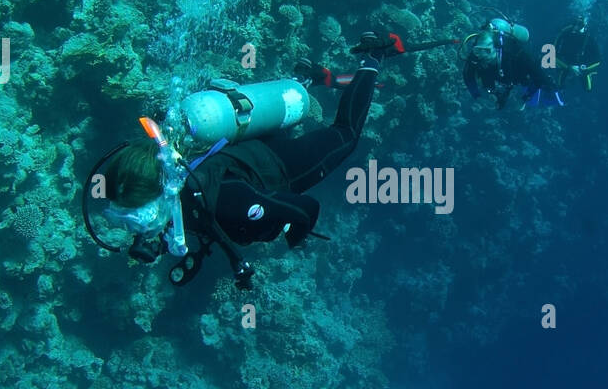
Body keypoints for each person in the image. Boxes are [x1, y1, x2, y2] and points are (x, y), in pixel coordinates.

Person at [83, 33, 393, 288]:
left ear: (160, 193)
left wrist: (295, 238)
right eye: (124, 219)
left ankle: (372, 58)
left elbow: (307, 208)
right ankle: (303, 81)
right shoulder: (170, 185)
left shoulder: (226, 201)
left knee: (346, 135)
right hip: (243, 150)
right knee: (282, 122)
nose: (135, 228)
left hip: (283, 165)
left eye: (135, 218)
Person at [460, 17, 557, 109]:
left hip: (519, 73)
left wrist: (525, 98)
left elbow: (538, 77)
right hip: (500, 76)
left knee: (544, 83)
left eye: (487, 51)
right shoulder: (477, 56)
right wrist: (477, 96)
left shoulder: (517, 53)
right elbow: (468, 75)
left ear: (497, 47)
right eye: (478, 51)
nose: (483, 55)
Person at [554, 17, 602, 93]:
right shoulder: (565, 34)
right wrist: (569, 67)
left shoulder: (589, 39)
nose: (576, 27)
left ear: (585, 26)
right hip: (566, 64)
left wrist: (584, 69)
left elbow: (598, 60)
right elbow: (554, 55)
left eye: (580, 25)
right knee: (559, 85)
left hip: (582, 67)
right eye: (575, 24)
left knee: (588, 89)